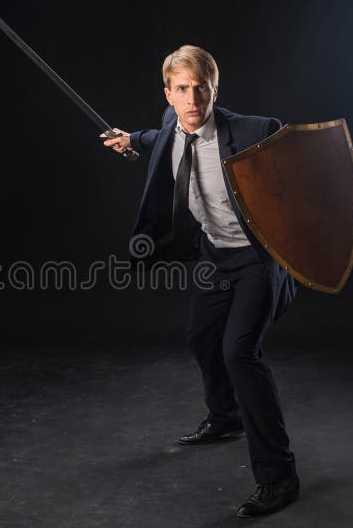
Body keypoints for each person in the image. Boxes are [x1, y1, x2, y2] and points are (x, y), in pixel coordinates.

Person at [103, 45, 299, 518]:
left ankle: (279, 476)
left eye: (201, 87)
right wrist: (132, 139)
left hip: (256, 260)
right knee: (202, 338)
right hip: (214, 257)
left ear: (215, 88)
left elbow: (301, 178)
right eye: (183, 89)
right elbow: (157, 137)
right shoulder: (172, 126)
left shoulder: (255, 131)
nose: (194, 98)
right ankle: (227, 418)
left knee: (239, 352)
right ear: (168, 94)